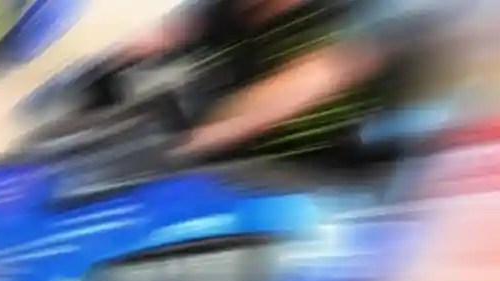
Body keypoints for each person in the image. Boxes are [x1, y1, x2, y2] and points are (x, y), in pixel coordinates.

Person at [93, 0, 448, 163]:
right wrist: (104, 68)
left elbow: (312, 79)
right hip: (250, 148)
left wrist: (185, 144)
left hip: (356, 168)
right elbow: (171, 33)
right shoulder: (225, 9)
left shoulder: (382, 11)